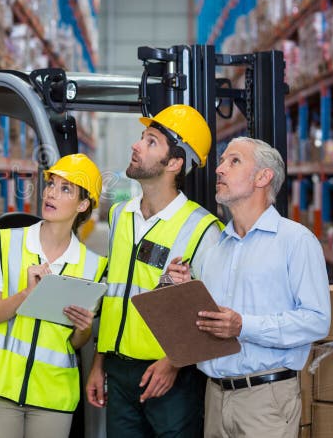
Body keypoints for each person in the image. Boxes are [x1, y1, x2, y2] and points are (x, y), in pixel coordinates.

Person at [86, 104, 223, 437]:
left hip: (169, 376)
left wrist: (172, 363)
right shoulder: (120, 215)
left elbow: (212, 313)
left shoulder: (203, 228)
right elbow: (115, 295)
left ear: (174, 163)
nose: (136, 146)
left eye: (150, 141)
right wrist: (99, 363)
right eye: (141, 138)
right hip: (117, 372)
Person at [186, 137, 330, 437]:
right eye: (222, 161)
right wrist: (181, 288)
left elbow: (317, 321)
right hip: (214, 395)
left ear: (264, 177)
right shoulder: (216, 247)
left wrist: (243, 326)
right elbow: (207, 321)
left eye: (234, 161)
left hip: (265, 400)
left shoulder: (295, 241)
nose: (219, 170)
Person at [0, 153, 109, 438]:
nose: (51, 193)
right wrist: (25, 295)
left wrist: (83, 328)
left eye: (65, 188)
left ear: (83, 205)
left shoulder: (93, 265)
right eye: (52, 184)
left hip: (53, 397)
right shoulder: (8, 243)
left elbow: (76, 342)